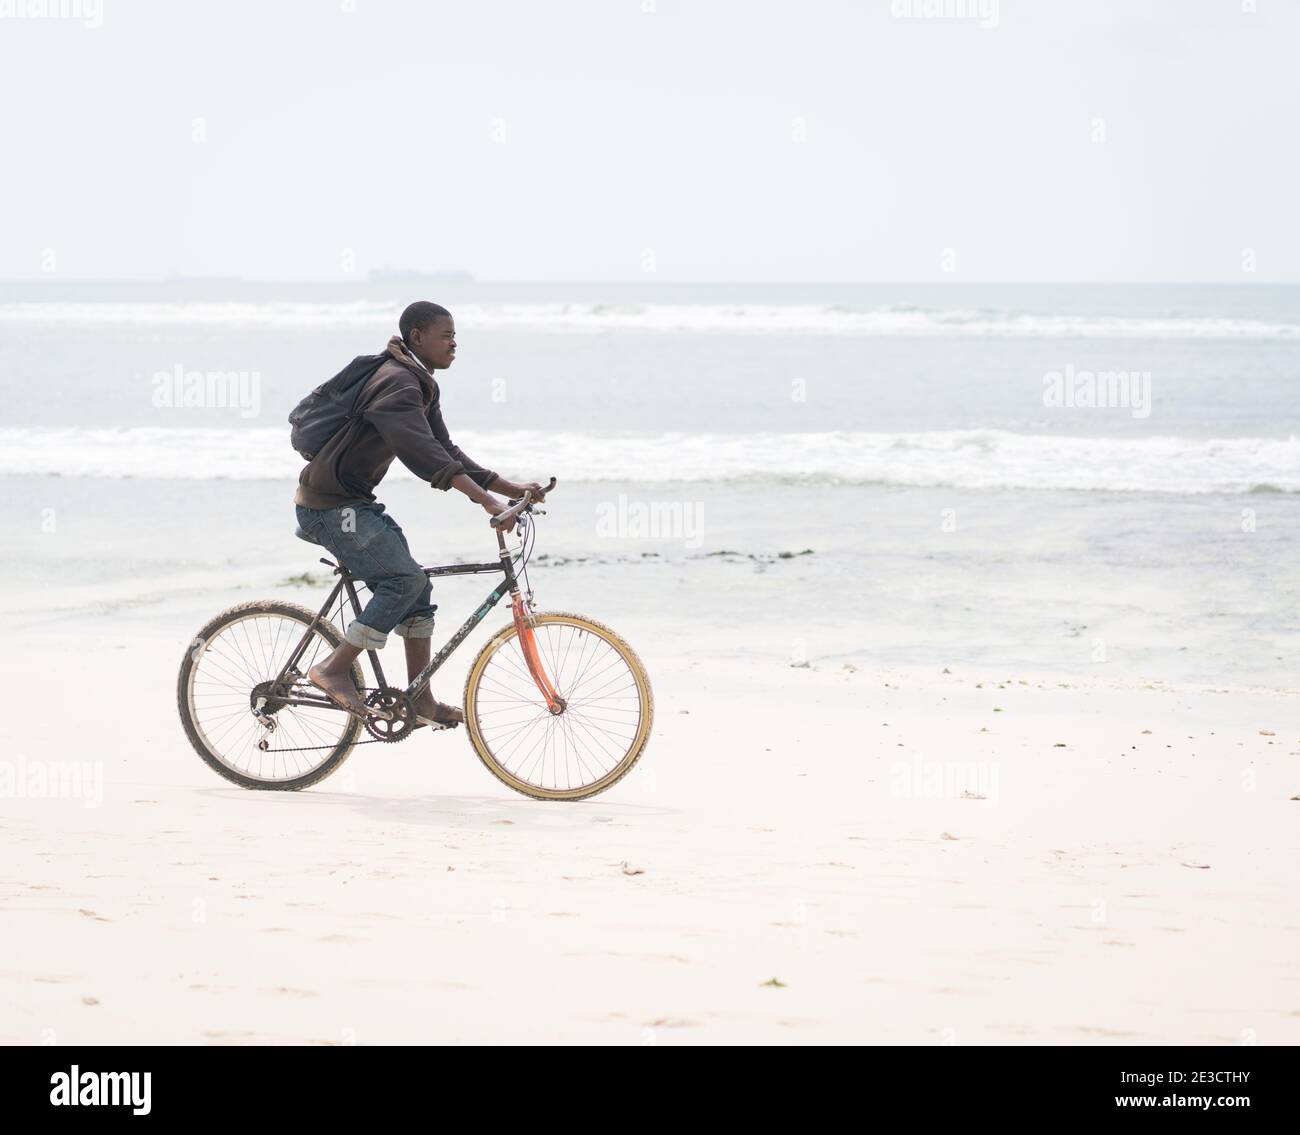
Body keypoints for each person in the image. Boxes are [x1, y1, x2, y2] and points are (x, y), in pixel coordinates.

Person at [293, 301, 547, 726]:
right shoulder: (396, 384)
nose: (454, 344)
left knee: (418, 588)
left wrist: (507, 487)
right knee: (403, 581)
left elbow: (446, 450)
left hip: (351, 504)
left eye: (455, 337)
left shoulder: (418, 383)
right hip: (329, 508)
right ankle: (331, 669)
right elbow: (422, 454)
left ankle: (420, 701)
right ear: (417, 337)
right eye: (446, 335)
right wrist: (484, 501)